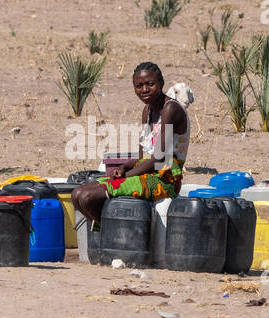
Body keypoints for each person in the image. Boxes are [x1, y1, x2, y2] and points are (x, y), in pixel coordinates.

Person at [72, 62, 189, 228]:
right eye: (139, 86)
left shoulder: (170, 109)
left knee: (87, 197)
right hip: (146, 173)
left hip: (165, 180)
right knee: (77, 194)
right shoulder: (147, 111)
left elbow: (160, 158)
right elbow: (142, 158)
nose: (144, 89)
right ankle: (110, 231)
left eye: (150, 84)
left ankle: (114, 234)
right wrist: (124, 167)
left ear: (162, 83)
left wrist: (127, 176)